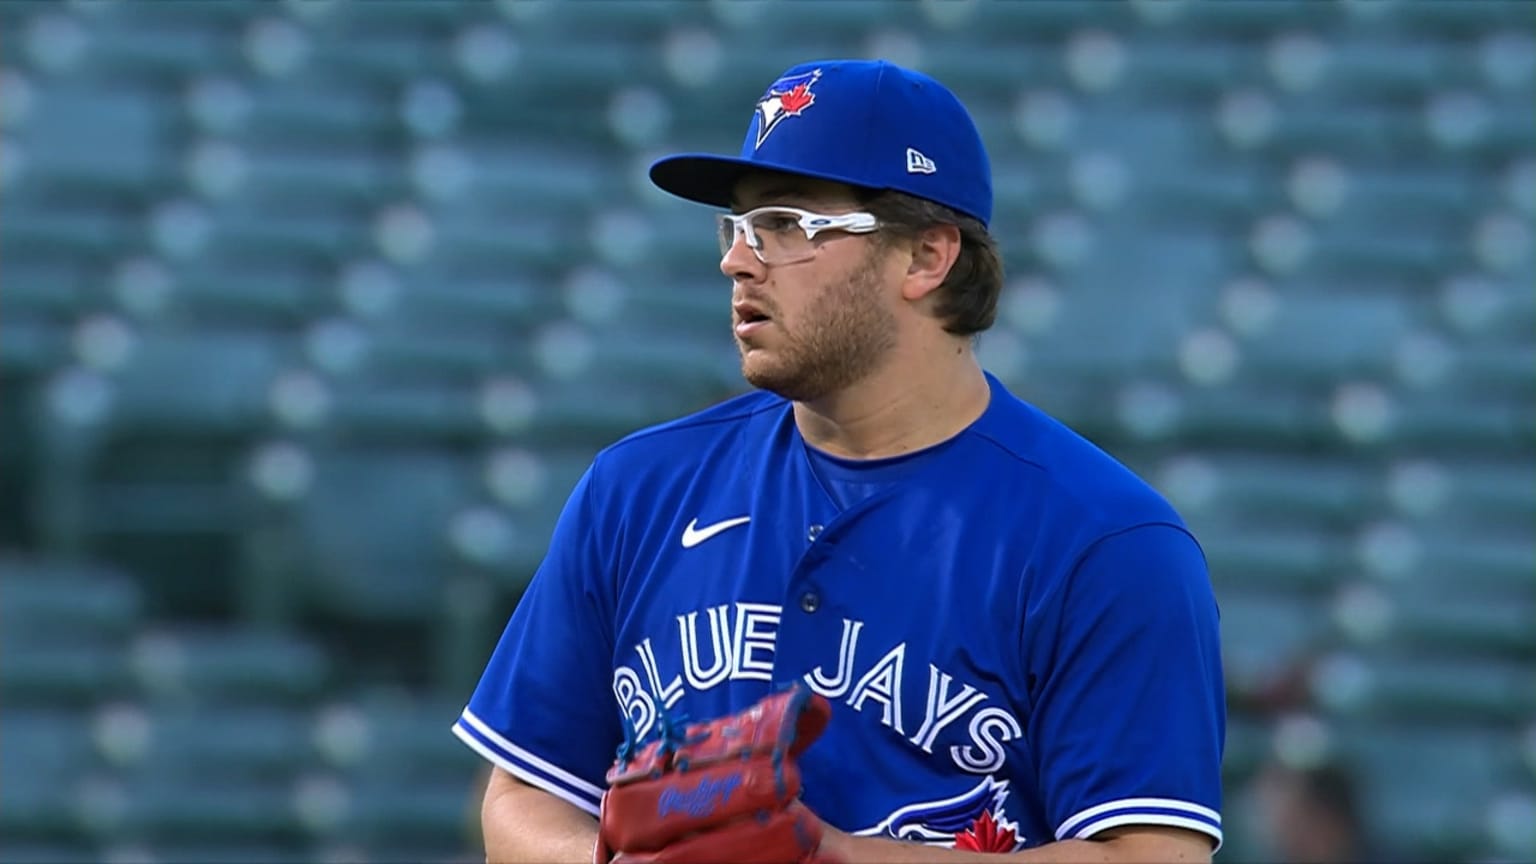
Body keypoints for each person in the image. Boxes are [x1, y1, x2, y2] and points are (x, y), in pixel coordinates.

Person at [452, 58, 1226, 864]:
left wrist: (827, 856)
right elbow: (524, 792)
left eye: (787, 224)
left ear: (927, 257)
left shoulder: (1106, 540)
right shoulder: (638, 489)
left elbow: (1147, 857)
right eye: (738, 226)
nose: (738, 260)